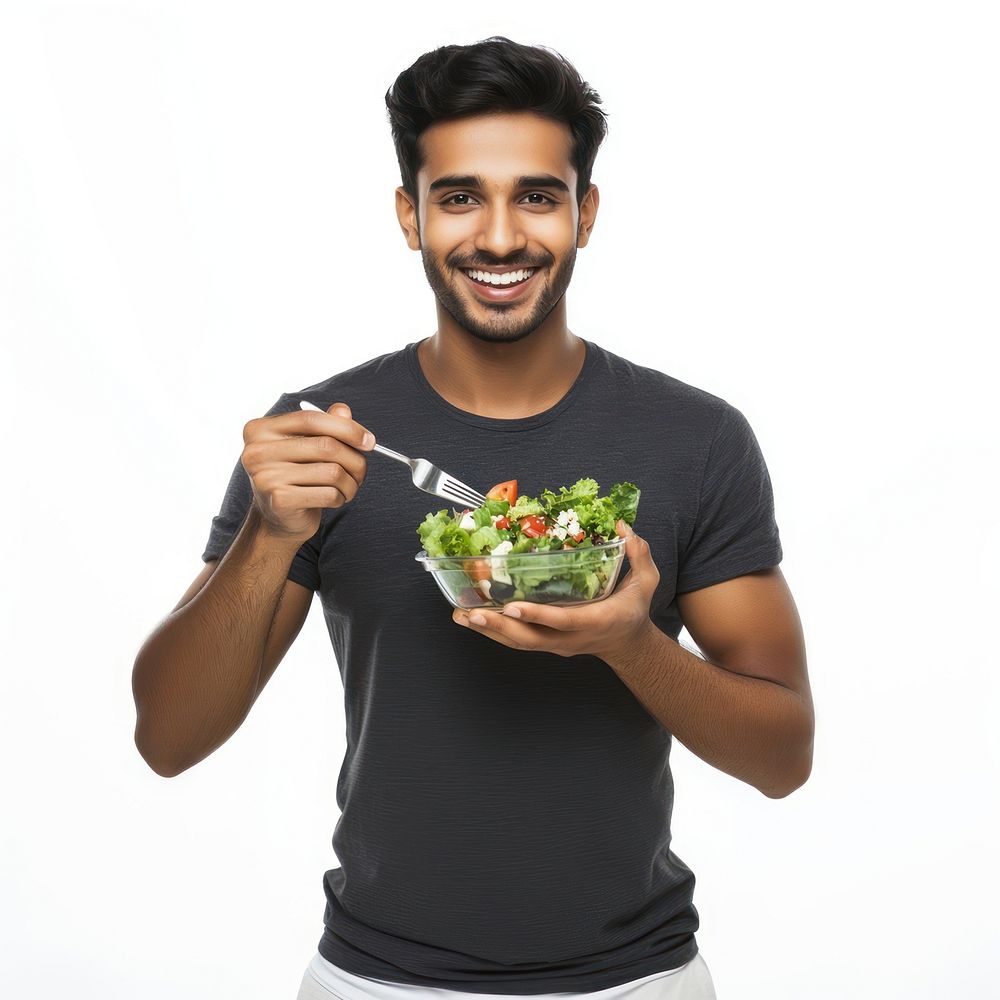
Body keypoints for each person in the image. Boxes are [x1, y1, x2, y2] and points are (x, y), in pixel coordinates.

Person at [132, 36, 813, 1000]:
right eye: (459, 197)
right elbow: (167, 739)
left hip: (638, 981)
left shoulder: (695, 439)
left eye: (537, 195)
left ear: (586, 214)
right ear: (410, 217)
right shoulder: (322, 437)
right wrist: (269, 535)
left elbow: (785, 757)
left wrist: (630, 644)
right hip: (376, 980)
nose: (499, 238)